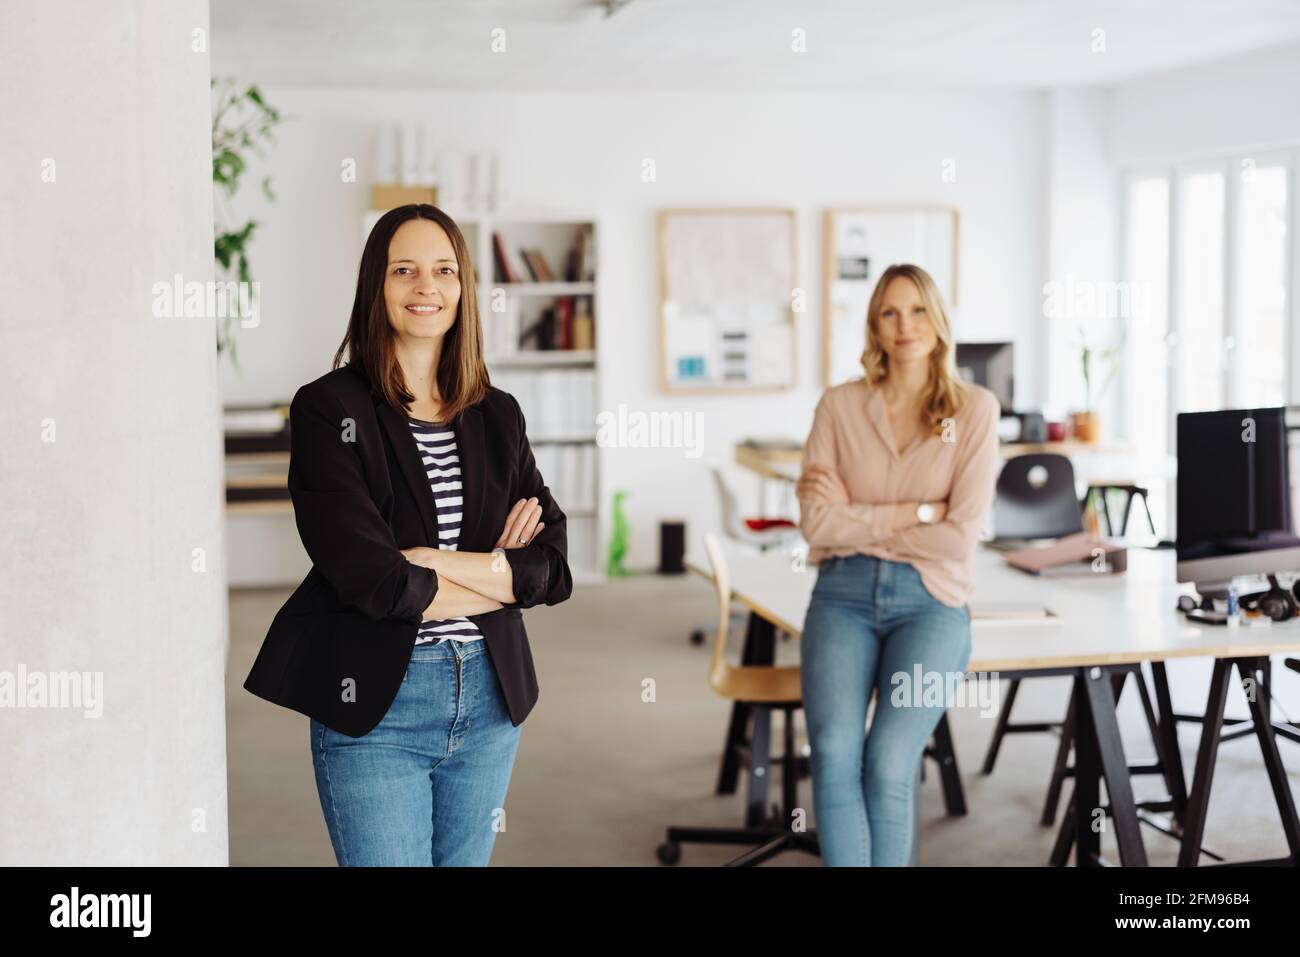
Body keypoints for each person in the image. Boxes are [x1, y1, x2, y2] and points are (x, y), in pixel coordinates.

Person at [243, 204, 572, 866]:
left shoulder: (497, 414)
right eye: (405, 270)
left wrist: (434, 562)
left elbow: (554, 566)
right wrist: (499, 575)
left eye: (444, 270)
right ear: (376, 284)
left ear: (462, 288)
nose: (427, 286)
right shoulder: (329, 410)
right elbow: (380, 582)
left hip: (489, 696)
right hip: (379, 704)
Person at [796, 263, 999, 866]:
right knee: (833, 752)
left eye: (916, 310)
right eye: (890, 311)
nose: (904, 325)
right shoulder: (838, 406)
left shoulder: (975, 411)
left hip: (932, 602)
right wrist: (917, 512)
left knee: (888, 761)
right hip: (843, 595)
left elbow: (959, 538)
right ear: (874, 325)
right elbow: (816, 523)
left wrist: (862, 520)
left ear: (937, 319)